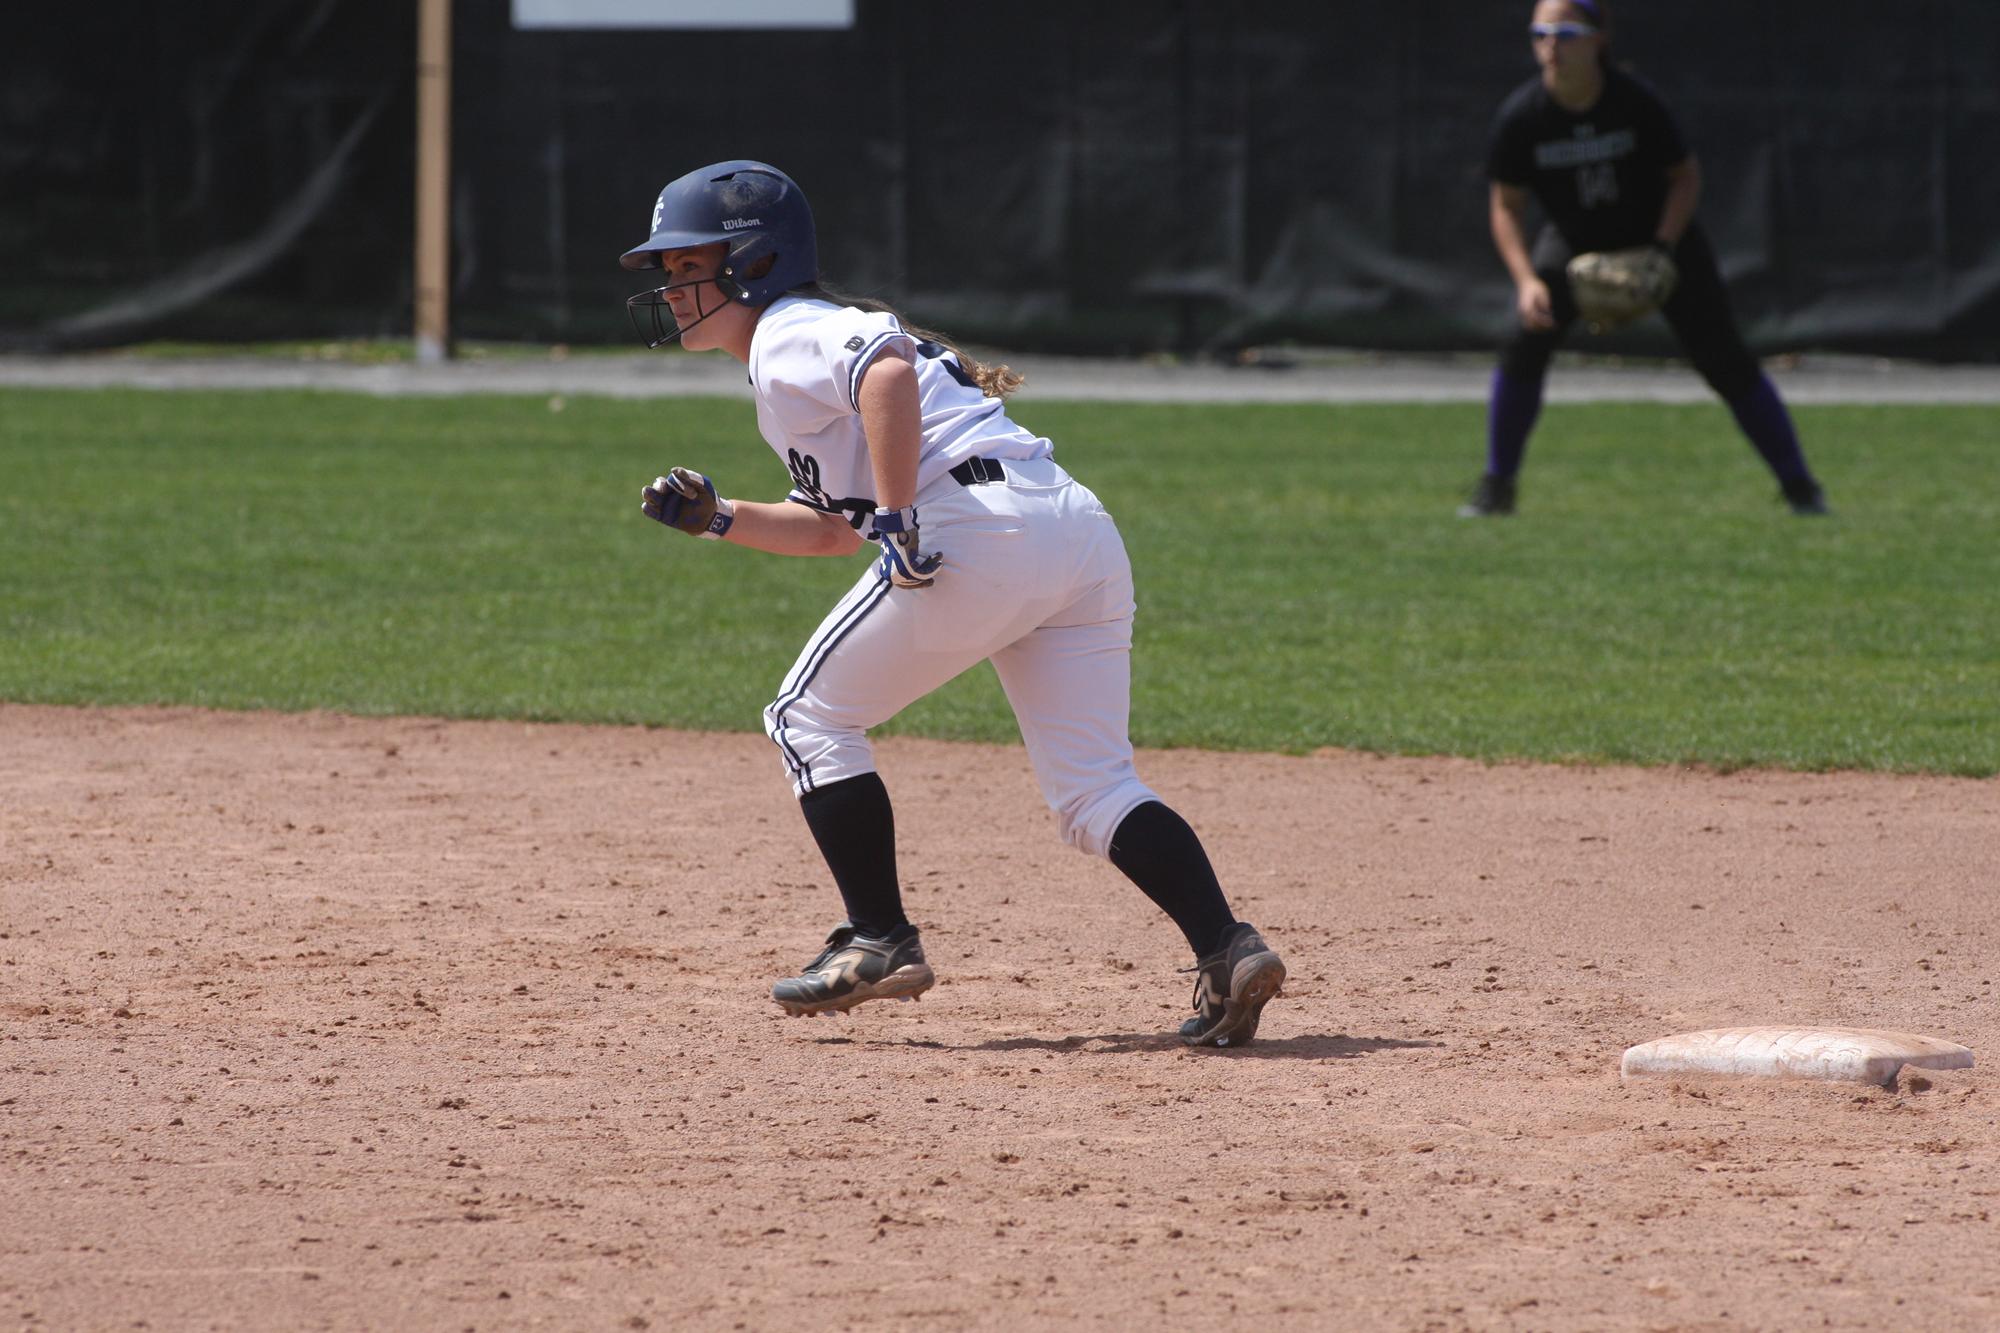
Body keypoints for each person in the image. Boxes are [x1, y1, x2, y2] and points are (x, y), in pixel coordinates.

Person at [619, 161, 1285, 1047]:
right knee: (1093, 788)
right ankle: (1228, 946)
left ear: (750, 261)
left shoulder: (787, 332)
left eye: (684, 264)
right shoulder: (796, 345)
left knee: (804, 716)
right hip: (1071, 529)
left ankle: (879, 937)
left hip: (972, 531)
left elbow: (885, 374)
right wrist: (719, 519)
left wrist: (899, 518)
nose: (671, 285)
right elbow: (826, 531)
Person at [1461, 0, 1829, 518]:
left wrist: (1660, 250)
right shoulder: (1524, 116)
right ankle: (1496, 486)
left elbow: (1685, 177)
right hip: (1575, 239)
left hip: (1659, 236)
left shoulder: (1633, 102)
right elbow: (1506, 204)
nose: (1551, 46)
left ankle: (1801, 489)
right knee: (1524, 340)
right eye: (1539, 33)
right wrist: (1526, 281)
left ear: (1598, 40)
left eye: (1566, 32)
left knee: (1724, 358)